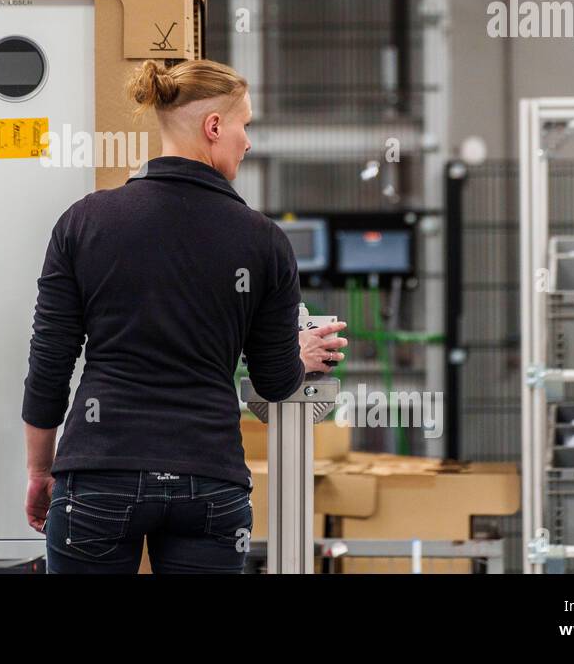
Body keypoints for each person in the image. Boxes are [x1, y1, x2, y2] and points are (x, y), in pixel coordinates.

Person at [21, 58, 347, 574]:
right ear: (214, 127)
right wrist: (299, 355)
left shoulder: (84, 221)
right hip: (209, 482)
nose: (248, 141)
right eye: (245, 124)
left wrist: (41, 469)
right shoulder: (262, 240)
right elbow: (274, 381)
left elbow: (49, 365)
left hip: (99, 472)